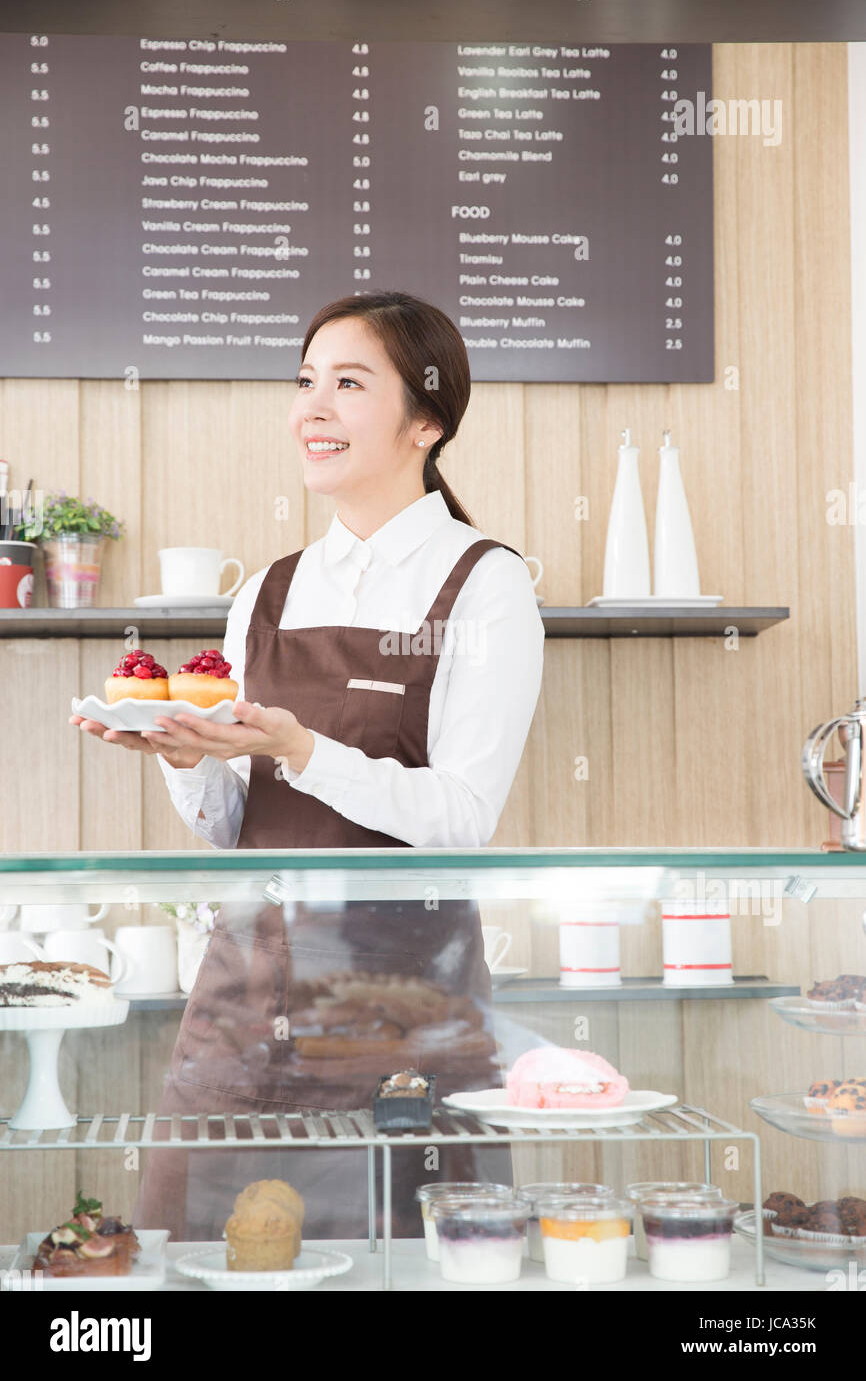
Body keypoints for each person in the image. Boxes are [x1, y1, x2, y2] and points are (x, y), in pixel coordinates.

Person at [70, 290, 545, 1242]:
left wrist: (301, 748)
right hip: (245, 993)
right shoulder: (266, 590)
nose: (311, 409)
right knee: (196, 1250)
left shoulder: (487, 583)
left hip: (405, 1006)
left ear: (427, 419)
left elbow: (462, 816)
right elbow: (225, 819)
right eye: (304, 381)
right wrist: (183, 752)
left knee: (398, 1254)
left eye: (348, 383)